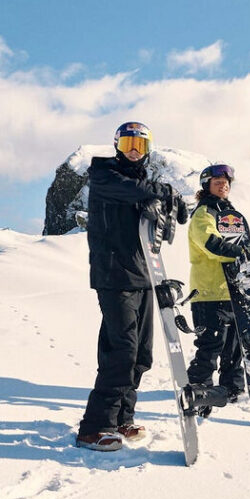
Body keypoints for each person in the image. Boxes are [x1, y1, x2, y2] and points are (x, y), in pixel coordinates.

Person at [76, 121, 187, 451]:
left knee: (140, 355)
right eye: (127, 144)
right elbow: (131, 192)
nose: (134, 151)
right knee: (121, 352)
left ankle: (123, 417)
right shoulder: (104, 175)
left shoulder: (144, 183)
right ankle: (94, 427)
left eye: (140, 145)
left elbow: (152, 219)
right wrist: (159, 192)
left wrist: (171, 205)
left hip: (143, 276)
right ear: (116, 146)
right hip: (113, 276)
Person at [185, 163, 250, 409]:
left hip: (233, 291)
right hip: (208, 293)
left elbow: (242, 242)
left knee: (234, 347)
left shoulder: (232, 215)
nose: (223, 184)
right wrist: (241, 252)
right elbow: (210, 243)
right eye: (217, 181)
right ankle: (199, 392)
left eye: (227, 181)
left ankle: (232, 389)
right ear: (207, 184)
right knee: (210, 346)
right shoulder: (203, 213)